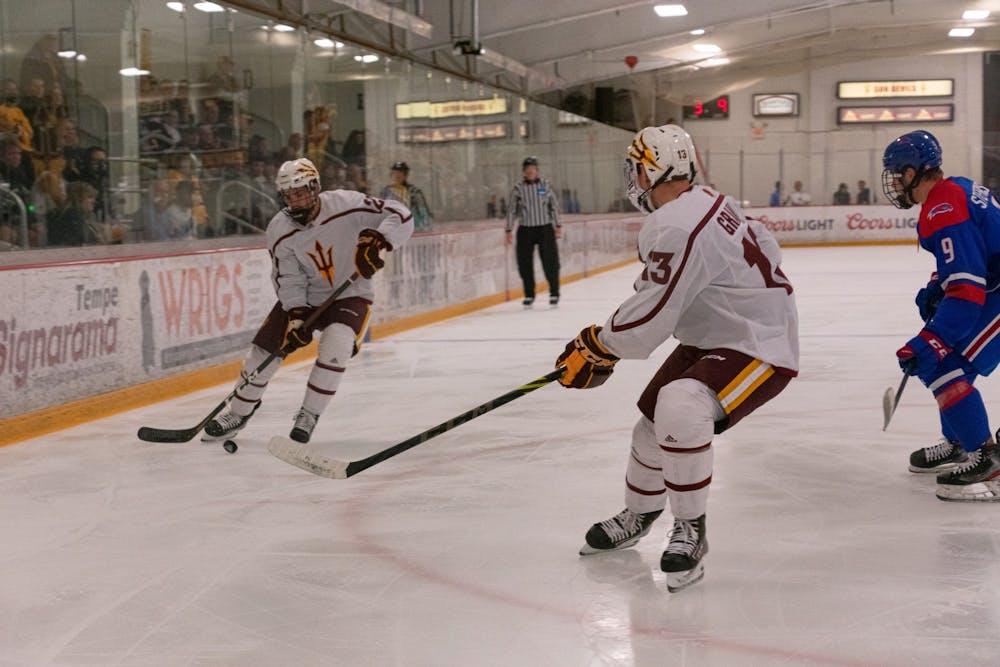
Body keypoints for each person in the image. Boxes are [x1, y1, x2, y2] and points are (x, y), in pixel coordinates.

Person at [560, 124, 798, 592]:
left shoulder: (674, 223)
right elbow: (759, 249)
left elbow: (652, 318)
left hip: (757, 343)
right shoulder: (706, 201)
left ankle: (691, 529)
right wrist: (608, 339)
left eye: (637, 169)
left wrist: (600, 344)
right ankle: (641, 511)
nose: (634, 178)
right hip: (720, 331)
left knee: (681, 405)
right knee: (652, 421)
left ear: (653, 169)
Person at [202, 158, 413, 444]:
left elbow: (401, 213)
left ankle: (309, 414)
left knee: (336, 345)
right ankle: (239, 413)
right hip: (306, 298)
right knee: (263, 352)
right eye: (290, 195)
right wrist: (297, 315)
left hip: (350, 293)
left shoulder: (346, 204)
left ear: (315, 187)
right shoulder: (279, 229)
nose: (297, 201)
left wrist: (378, 240)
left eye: (301, 192)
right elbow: (288, 278)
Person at [882, 129, 1000, 501]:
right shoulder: (954, 190)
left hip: (992, 291)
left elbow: (967, 290)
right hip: (993, 283)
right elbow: (968, 258)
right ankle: (962, 442)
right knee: (946, 363)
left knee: (940, 361)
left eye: (897, 174)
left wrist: (933, 338)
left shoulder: (943, 209)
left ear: (914, 171)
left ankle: (987, 460)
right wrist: (938, 284)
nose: (896, 183)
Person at [505, 156, 562, 307]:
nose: (531, 172)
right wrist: (508, 229)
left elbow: (554, 206)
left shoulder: (546, 185)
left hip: (545, 228)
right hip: (525, 229)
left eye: (533, 169)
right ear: (524, 172)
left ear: (537, 170)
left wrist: (558, 225)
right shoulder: (518, 189)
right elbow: (511, 210)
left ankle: (554, 292)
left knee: (550, 262)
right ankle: (529, 294)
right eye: (528, 170)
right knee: (524, 263)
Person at [379, 161, 432, 231]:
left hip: (412, 228)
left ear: (405, 175)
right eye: (395, 173)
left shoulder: (414, 192)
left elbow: (423, 213)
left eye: (400, 173)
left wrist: (425, 226)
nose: (397, 175)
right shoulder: (386, 191)